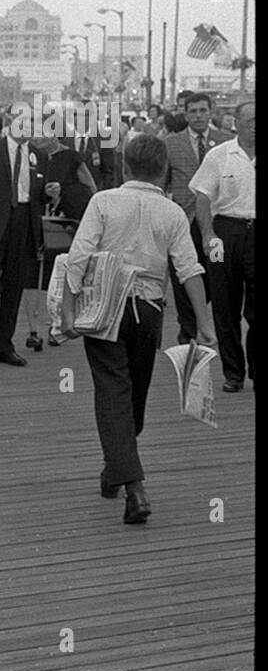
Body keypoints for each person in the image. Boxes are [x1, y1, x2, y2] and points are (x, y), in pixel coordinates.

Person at [59, 134, 216, 524]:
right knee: (133, 397)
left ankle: (127, 479)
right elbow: (189, 270)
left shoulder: (103, 202)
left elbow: (76, 260)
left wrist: (65, 313)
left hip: (104, 308)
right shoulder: (173, 213)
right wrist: (204, 323)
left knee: (114, 393)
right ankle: (124, 477)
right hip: (148, 312)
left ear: (124, 167)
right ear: (164, 171)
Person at [0, 111, 60, 366]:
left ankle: (5, 346)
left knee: (14, 287)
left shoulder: (39, 156)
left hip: (23, 226)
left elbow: (37, 196)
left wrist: (49, 194)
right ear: (11, 124)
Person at [190, 101, 255, 392]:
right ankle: (233, 373)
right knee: (224, 305)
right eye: (250, 121)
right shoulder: (219, 156)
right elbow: (202, 197)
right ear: (236, 124)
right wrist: (206, 235)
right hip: (224, 234)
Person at [162, 92, 233, 346]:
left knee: (216, 274)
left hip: (217, 224)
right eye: (193, 111)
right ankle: (189, 330)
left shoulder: (227, 142)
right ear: (186, 114)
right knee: (183, 275)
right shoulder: (171, 143)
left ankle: (197, 315)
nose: (199, 116)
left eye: (203, 110)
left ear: (211, 111)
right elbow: (162, 182)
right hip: (184, 222)